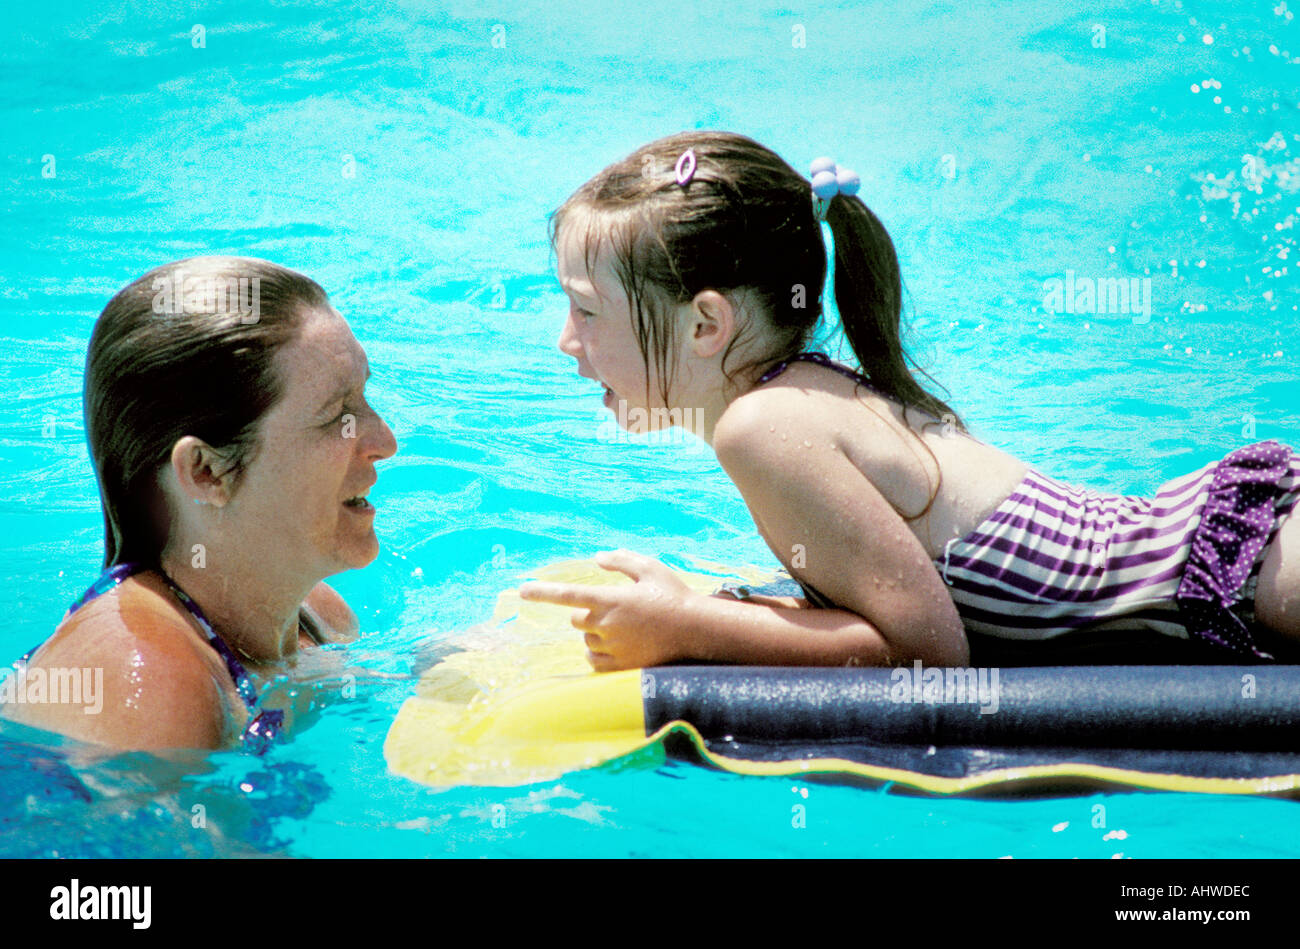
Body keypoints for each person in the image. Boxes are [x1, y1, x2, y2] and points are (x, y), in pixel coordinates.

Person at [519, 130, 1300, 670]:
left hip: (1249, 573)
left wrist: (688, 628)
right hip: (1239, 551)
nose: (565, 338)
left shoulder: (762, 425)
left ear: (706, 323)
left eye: (586, 310)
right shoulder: (794, 396)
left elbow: (927, 652)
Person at [2, 257, 397, 750]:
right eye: (337, 415)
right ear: (207, 473)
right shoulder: (146, 680)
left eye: (364, 397)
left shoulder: (316, 617)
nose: (386, 439)